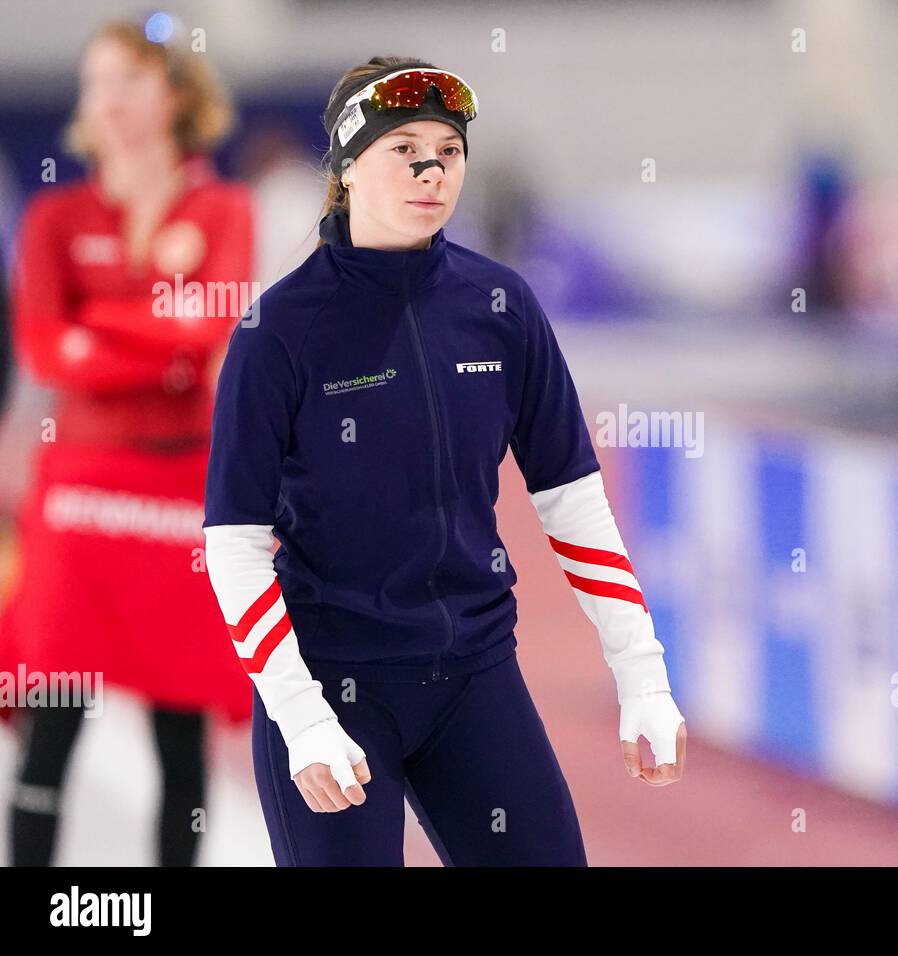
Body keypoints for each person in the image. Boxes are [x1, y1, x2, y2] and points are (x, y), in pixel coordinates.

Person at [202, 56, 686, 866]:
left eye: (449, 151)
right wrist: (301, 714)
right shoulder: (277, 333)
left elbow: (572, 503)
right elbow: (233, 543)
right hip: (337, 685)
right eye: (404, 149)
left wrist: (642, 674)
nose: (432, 170)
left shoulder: (499, 308)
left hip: (476, 680)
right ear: (349, 167)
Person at [1, 18, 255, 865]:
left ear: (176, 95)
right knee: (51, 728)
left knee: (180, 739)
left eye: (129, 82)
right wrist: (160, 335)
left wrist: (97, 328)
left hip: (181, 494)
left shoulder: (223, 209)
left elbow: (216, 318)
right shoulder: (55, 215)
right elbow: (43, 346)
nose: (108, 101)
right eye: (96, 83)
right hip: (78, 491)